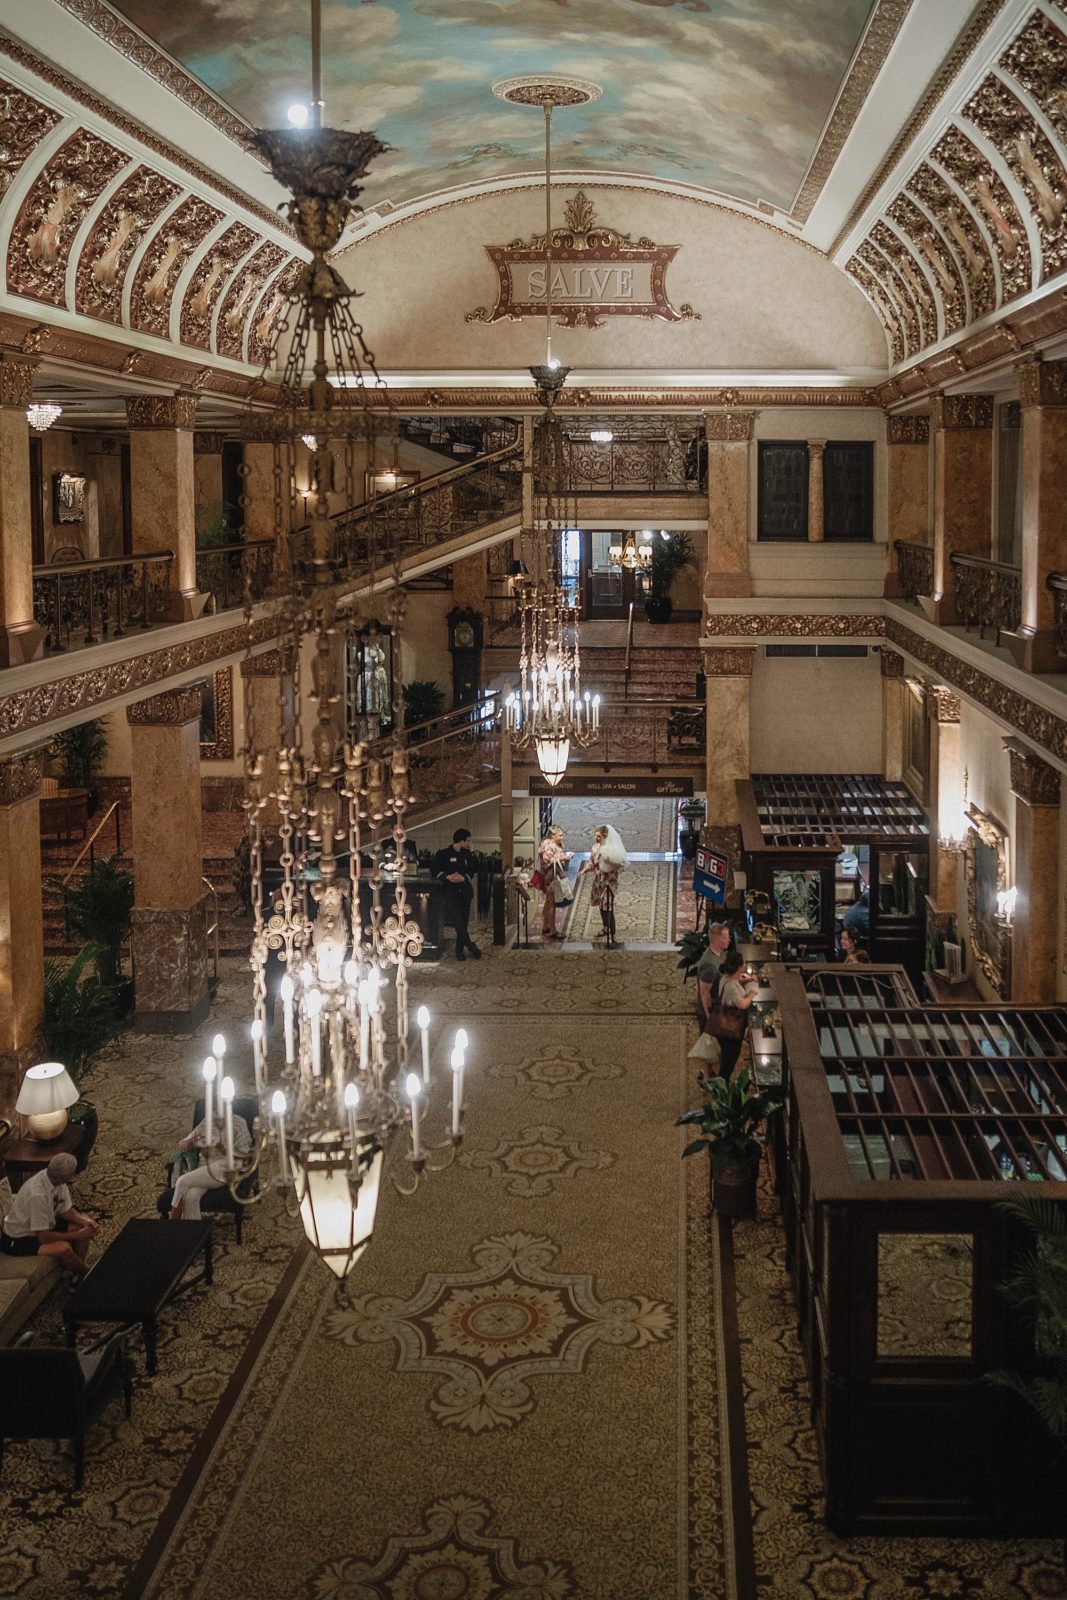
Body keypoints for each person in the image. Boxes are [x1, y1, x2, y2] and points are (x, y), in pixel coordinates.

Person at [0, 1152, 98, 1276]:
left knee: (84, 1225)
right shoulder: (37, 1195)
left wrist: (86, 1222)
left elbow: (66, 1211)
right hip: (18, 1239)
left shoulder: (56, 1181)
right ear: (62, 1177)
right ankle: (86, 1275)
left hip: (43, 1223)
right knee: (64, 1248)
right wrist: (77, 1236)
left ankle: (76, 1275)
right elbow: (44, 1237)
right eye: (72, 1175)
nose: (74, 1176)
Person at [169, 1106, 252, 1220]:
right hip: (203, 1167)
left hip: (224, 1167)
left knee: (182, 1182)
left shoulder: (238, 1123)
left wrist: (224, 1149)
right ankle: (195, 1234)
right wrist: (192, 1141)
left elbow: (244, 1155)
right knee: (190, 1196)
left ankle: (171, 1224)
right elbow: (182, 1144)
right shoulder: (207, 1121)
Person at [433, 827, 481, 961]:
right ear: (461, 840)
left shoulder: (467, 855)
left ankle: (459, 950)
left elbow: (472, 870)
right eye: (468, 841)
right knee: (458, 922)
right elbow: (436, 869)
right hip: (450, 893)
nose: (468, 843)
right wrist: (447, 877)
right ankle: (471, 946)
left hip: (465, 892)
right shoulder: (443, 854)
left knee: (463, 923)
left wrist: (464, 878)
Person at [711, 949, 759, 1080]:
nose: (745, 967)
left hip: (724, 1028)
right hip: (730, 1031)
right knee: (728, 1064)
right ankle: (721, 1090)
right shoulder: (731, 986)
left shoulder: (725, 978)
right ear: (739, 968)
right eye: (743, 965)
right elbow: (742, 1004)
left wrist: (746, 981)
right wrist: (751, 994)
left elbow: (735, 985)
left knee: (726, 1059)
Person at [578, 824, 626, 944]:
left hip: (609, 882)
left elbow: (620, 864)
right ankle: (605, 927)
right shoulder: (595, 848)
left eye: (599, 836)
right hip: (599, 881)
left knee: (608, 906)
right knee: (601, 905)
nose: (597, 839)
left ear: (605, 836)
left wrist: (609, 860)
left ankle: (612, 933)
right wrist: (585, 870)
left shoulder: (613, 849)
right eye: (596, 836)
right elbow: (592, 862)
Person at [537, 824, 570, 941]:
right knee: (552, 903)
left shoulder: (555, 844)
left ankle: (546, 925)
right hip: (549, 877)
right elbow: (548, 861)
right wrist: (562, 859)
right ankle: (552, 929)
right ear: (552, 836)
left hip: (552, 876)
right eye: (559, 835)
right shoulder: (548, 845)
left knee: (548, 901)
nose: (562, 837)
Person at [695, 921, 731, 1029]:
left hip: (718, 1007)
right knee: (708, 1044)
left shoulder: (720, 952)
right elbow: (705, 994)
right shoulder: (709, 966)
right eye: (726, 938)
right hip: (710, 1012)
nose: (729, 940)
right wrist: (710, 1018)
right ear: (717, 940)